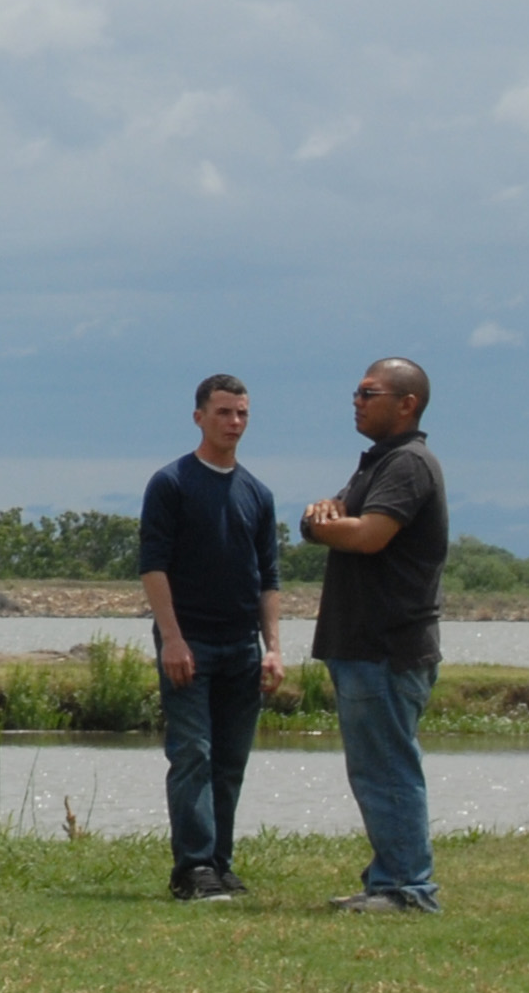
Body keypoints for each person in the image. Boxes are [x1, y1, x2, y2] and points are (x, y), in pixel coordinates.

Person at [300, 357, 450, 914]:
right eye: (356, 393)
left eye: (369, 392)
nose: (356, 402)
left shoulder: (409, 464)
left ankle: (409, 889)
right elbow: (325, 517)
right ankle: (387, 879)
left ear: (406, 403)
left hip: (387, 646)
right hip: (361, 645)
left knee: (388, 769)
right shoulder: (378, 464)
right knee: (375, 768)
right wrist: (324, 521)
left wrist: (327, 525)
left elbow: (365, 535)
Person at [139, 373, 283, 903]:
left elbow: (268, 578)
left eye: (242, 413)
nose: (234, 423)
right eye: (224, 412)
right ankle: (193, 868)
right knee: (193, 753)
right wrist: (172, 639)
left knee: (229, 760)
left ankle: (220, 864)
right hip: (190, 643)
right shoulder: (172, 483)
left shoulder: (257, 494)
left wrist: (273, 649)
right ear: (199, 417)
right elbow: (153, 567)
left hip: (242, 646)